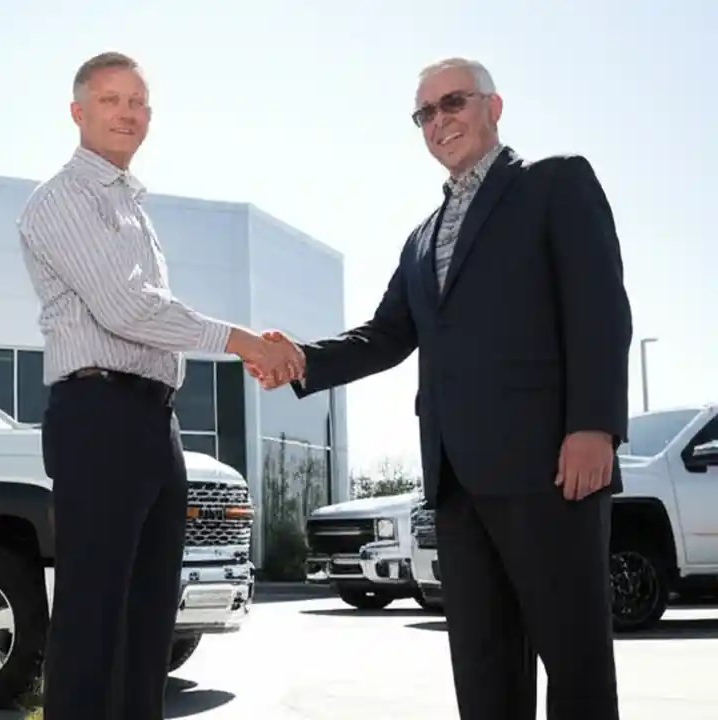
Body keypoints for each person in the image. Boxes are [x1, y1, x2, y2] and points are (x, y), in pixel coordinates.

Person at [253, 57, 631, 719]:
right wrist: (298, 360)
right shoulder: (420, 239)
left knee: (576, 665)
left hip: (551, 470)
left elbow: (599, 307)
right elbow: (386, 336)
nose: (438, 122)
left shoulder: (555, 183)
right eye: (424, 114)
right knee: (484, 672)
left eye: (452, 103)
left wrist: (594, 425)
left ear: (494, 106)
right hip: (457, 484)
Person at [16, 51, 303, 720]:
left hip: (151, 421)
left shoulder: (130, 204)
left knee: (148, 625)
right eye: (111, 100)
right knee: (93, 623)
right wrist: (245, 343)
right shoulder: (61, 200)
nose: (127, 113)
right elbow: (129, 309)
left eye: (138, 102)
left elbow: (146, 317)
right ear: (77, 111)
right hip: (98, 416)